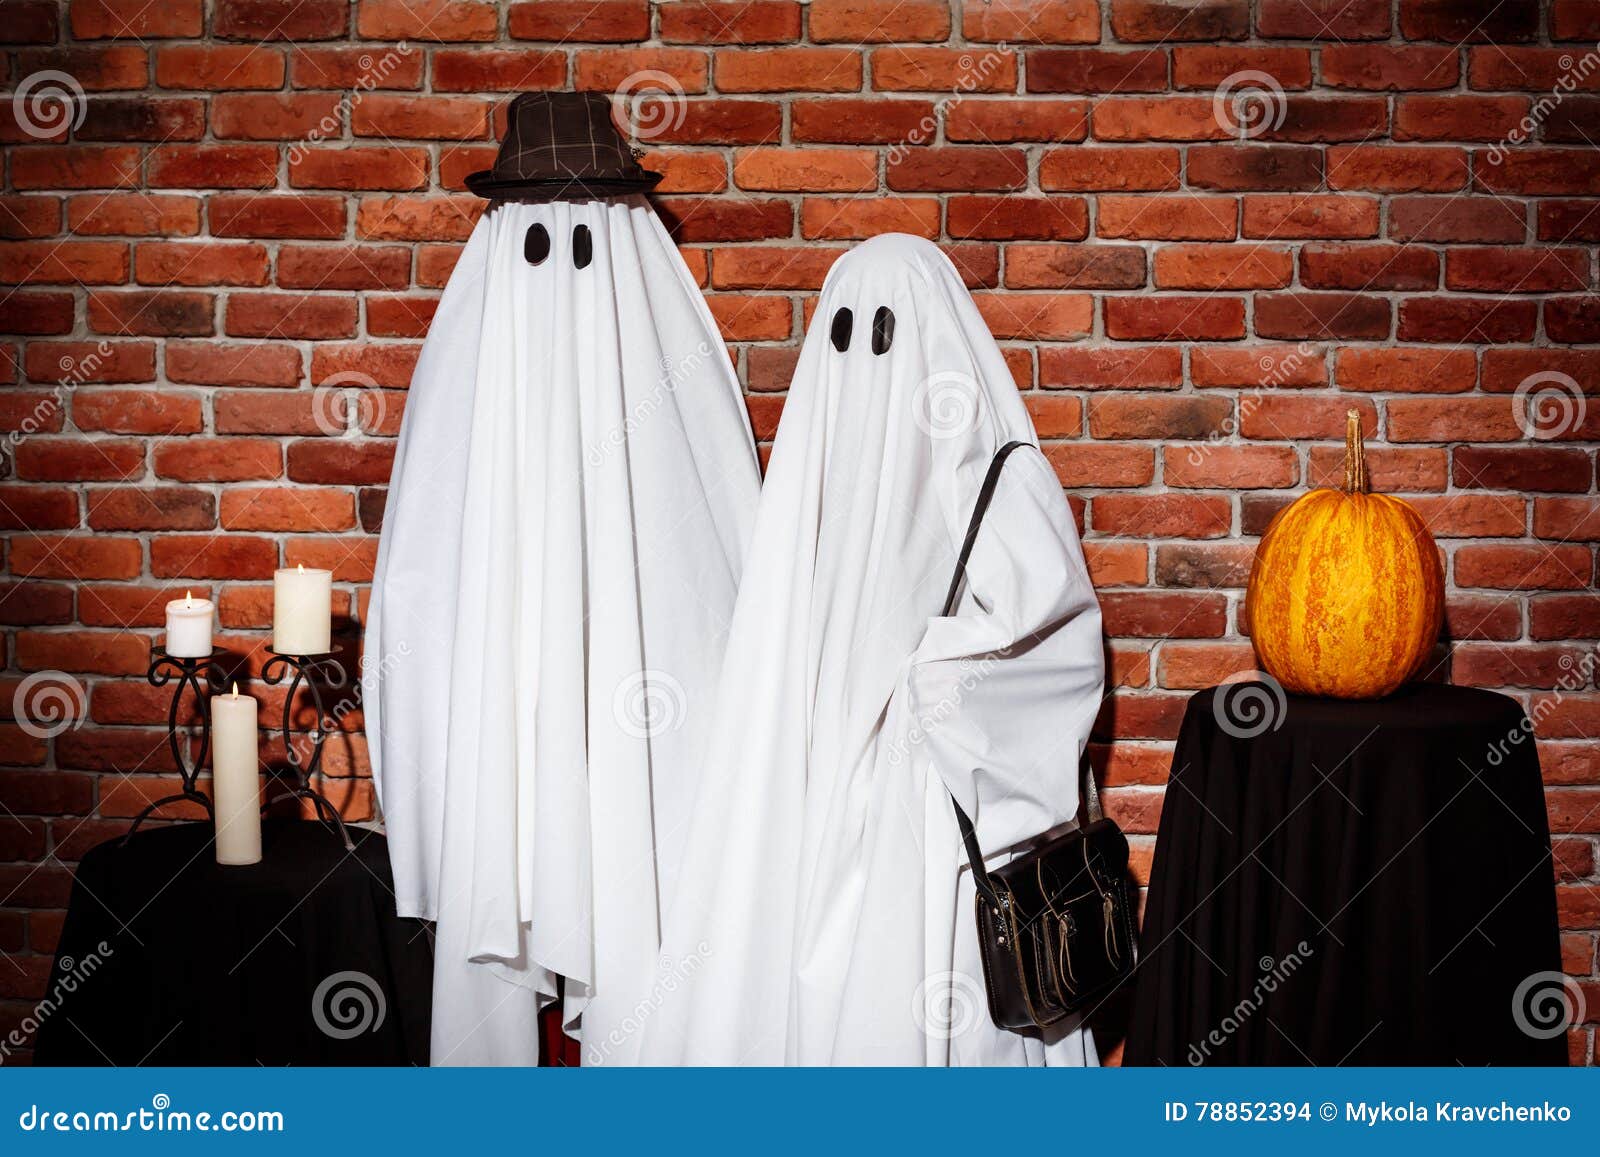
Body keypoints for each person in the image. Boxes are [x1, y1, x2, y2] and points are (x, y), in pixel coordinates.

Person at [639, 234, 1106, 1065]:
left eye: (887, 330)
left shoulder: (1004, 475)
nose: (865, 355)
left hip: (936, 834)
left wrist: (931, 686)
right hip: (812, 814)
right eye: (844, 332)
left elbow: (1061, 643)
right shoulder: (815, 482)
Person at [363, 93, 759, 1065]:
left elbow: (723, 568)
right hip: (518, 747)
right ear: (506, 232)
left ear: (620, 232)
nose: (562, 249)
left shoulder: (661, 364)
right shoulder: (479, 362)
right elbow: (423, 582)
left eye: (582, 231)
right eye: (540, 231)